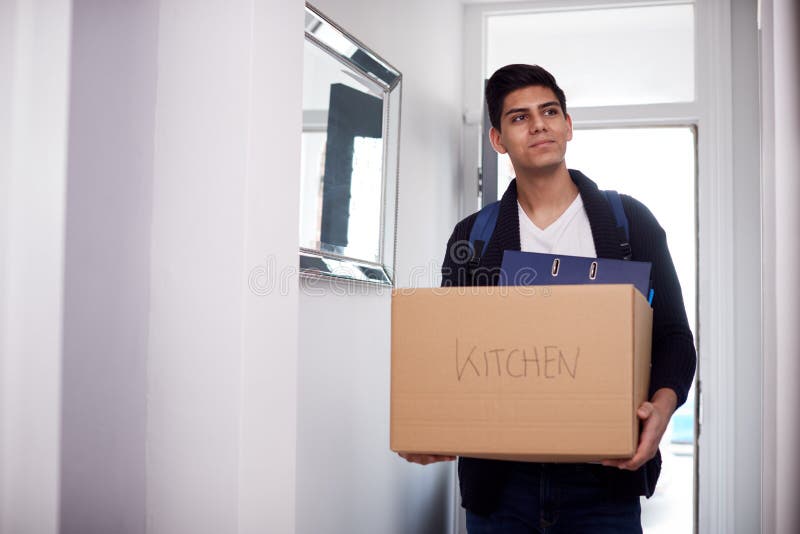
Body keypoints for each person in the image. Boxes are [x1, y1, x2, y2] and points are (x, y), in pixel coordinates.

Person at [399, 64, 697, 533]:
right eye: (519, 117)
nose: (538, 124)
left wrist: (661, 410)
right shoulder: (472, 237)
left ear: (568, 125)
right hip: (501, 490)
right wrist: (427, 425)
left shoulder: (628, 222)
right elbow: (451, 354)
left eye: (550, 111)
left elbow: (675, 338)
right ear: (498, 140)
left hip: (604, 485)